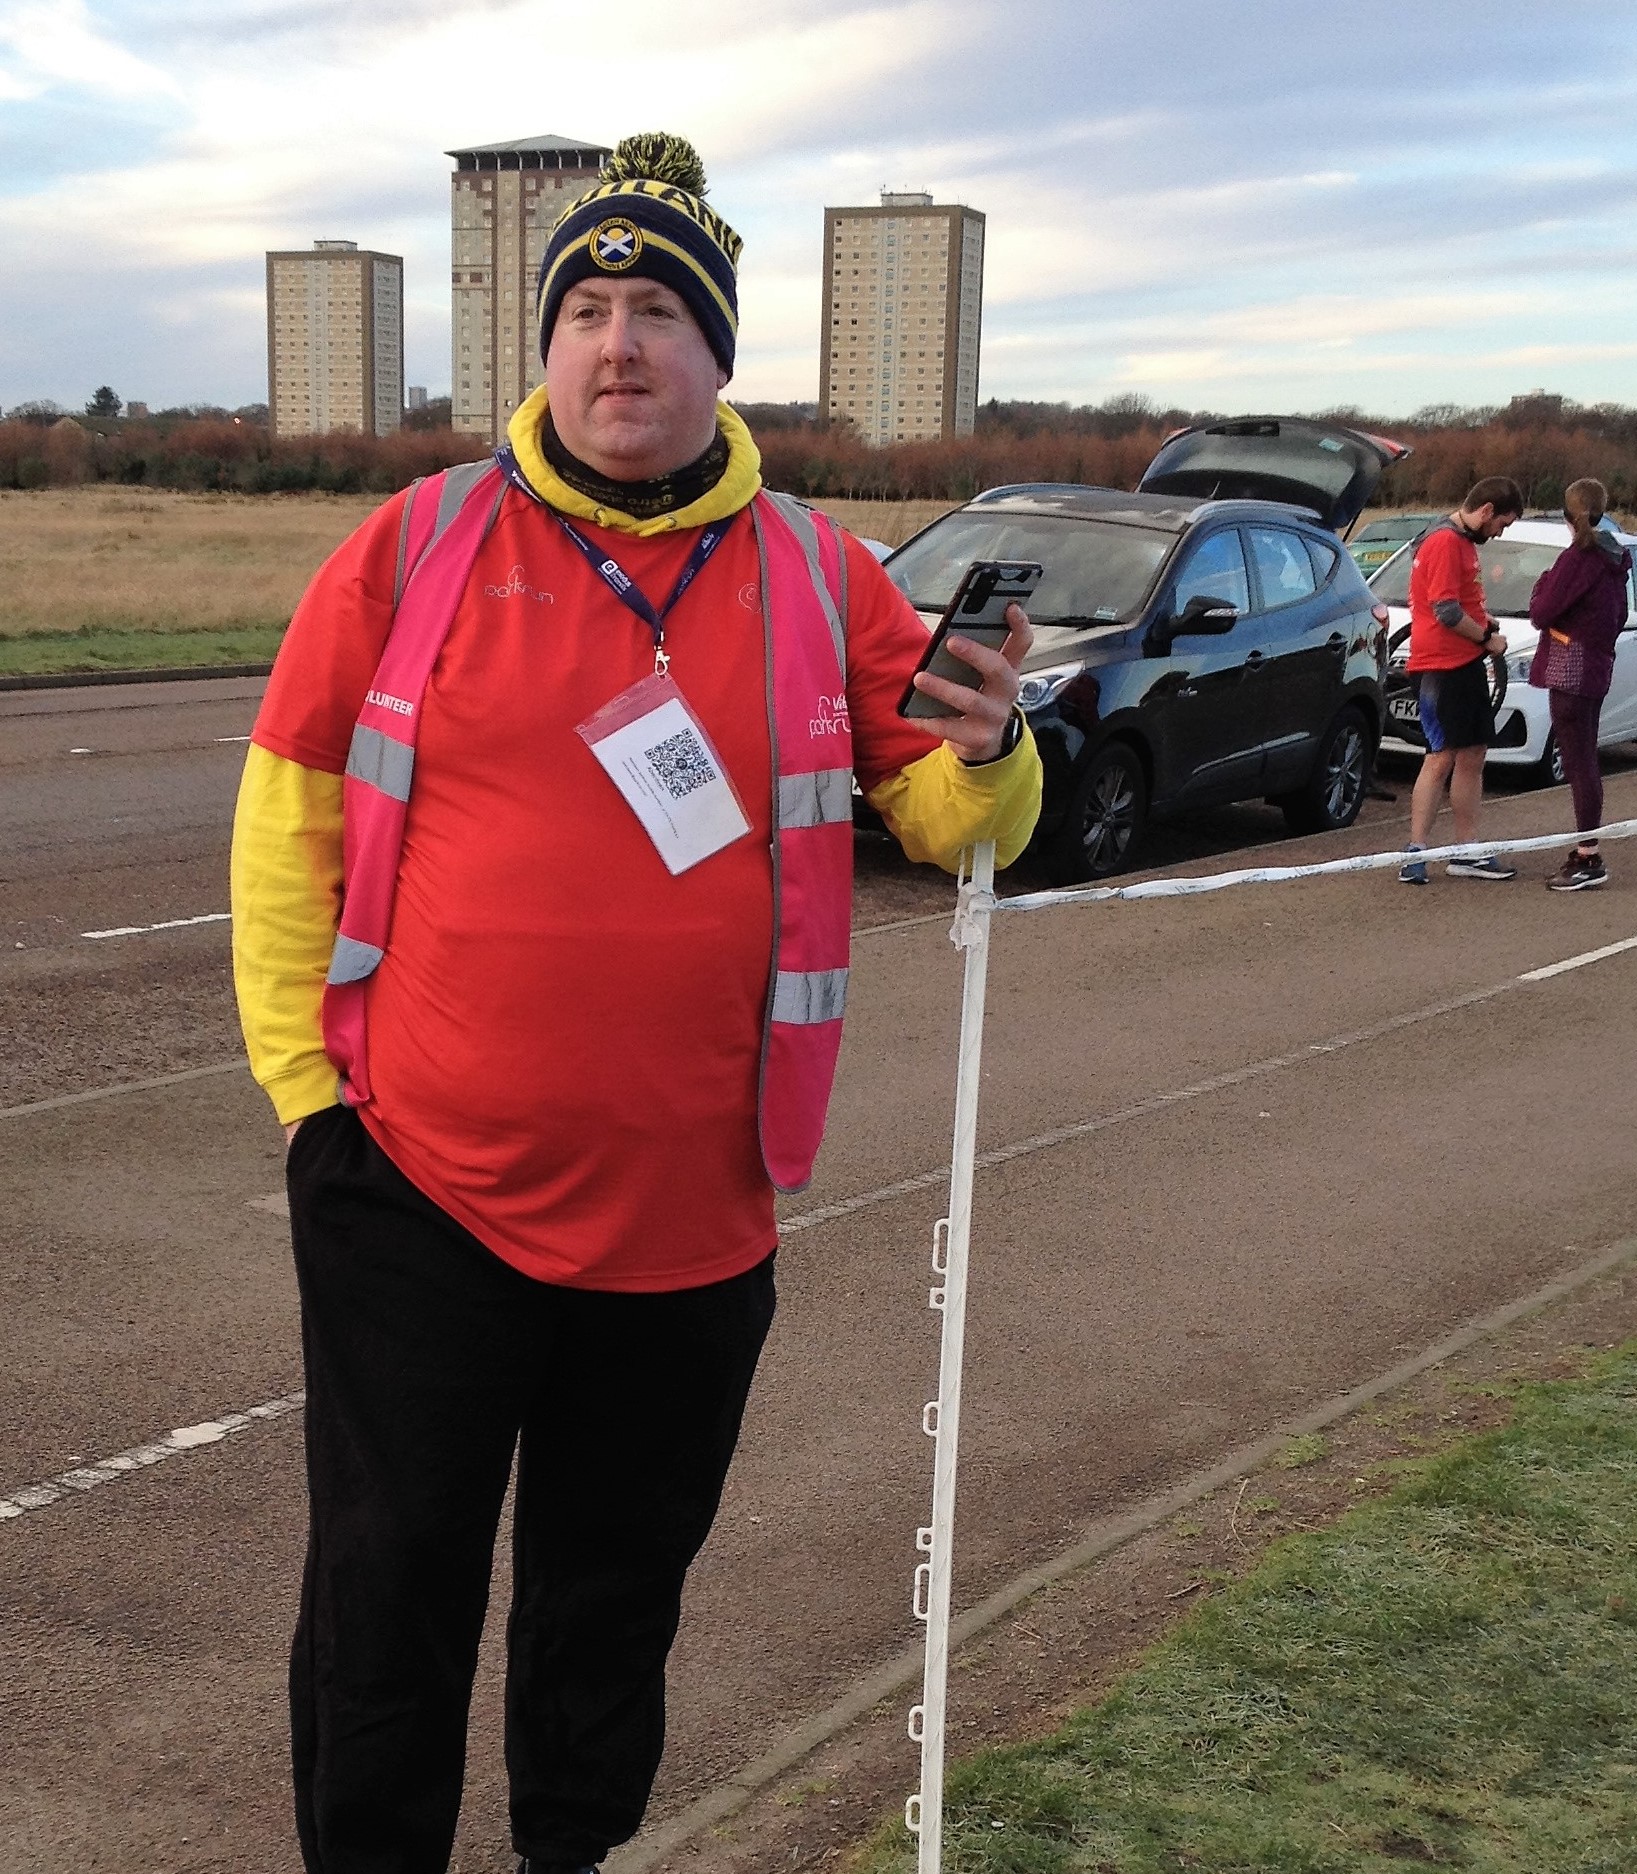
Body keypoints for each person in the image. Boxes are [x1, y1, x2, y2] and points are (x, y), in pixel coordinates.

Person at [229, 132, 1041, 1874]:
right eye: (585, 306)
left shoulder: (826, 576)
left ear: (719, 357)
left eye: (659, 310)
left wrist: (993, 747)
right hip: (417, 1193)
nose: (618, 343)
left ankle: (566, 1855)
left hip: (693, 1216)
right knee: (389, 1591)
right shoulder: (414, 545)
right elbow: (285, 822)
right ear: (540, 345)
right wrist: (313, 1100)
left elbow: (945, 818)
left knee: (611, 1603)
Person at [1397, 476, 1525, 884]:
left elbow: (1459, 603)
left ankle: (1464, 849)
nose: (1499, 532)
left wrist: (1483, 624)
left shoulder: (1459, 541)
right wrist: (1488, 638)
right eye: (1501, 524)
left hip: (1460, 663)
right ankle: (1416, 851)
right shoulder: (1447, 542)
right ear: (1486, 510)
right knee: (1441, 757)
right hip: (1442, 665)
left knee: (1471, 755)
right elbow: (1446, 611)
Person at [1527, 478, 1631, 890]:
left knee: (1579, 763)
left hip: (1570, 668)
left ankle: (1588, 856)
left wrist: (1539, 586)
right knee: (1585, 759)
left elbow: (1541, 612)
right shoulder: (1614, 558)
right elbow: (1617, 618)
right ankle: (1587, 848)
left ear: (1567, 515)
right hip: (1597, 668)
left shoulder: (1577, 559)